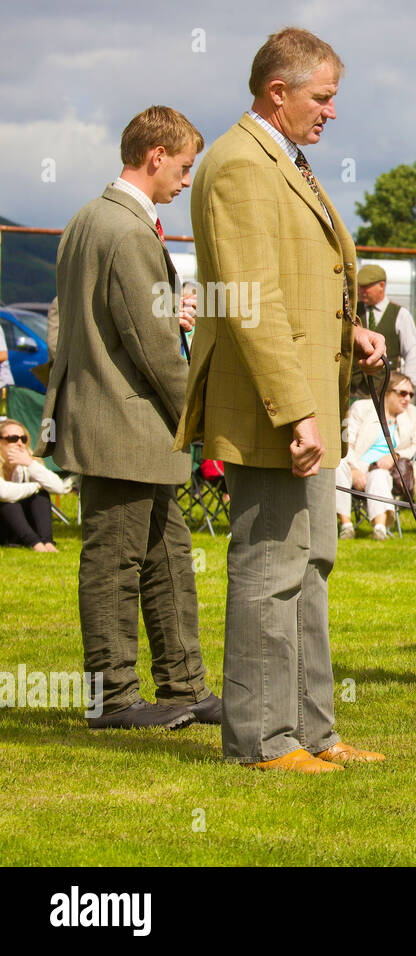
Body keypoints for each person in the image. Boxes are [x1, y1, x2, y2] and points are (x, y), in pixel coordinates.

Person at [175, 28, 388, 772]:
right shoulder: (239, 164)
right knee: (270, 567)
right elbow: (252, 301)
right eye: (322, 97)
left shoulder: (281, 161)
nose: (331, 112)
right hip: (273, 406)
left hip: (306, 401)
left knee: (311, 562)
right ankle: (262, 741)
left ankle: (311, 730)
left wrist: (351, 331)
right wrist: (295, 408)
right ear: (278, 91)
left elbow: (303, 281)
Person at [38, 105, 218, 730]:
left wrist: (170, 314)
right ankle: (112, 700)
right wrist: (199, 415)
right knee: (114, 566)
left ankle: (184, 687)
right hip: (127, 426)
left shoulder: (86, 220)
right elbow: (153, 351)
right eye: (185, 167)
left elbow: (85, 325)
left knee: (168, 560)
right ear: (155, 157)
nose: (187, 180)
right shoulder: (129, 231)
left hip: (119, 424)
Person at [335, 373, 416, 540]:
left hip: (385, 469)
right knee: (338, 465)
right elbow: (346, 442)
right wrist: (355, 470)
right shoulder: (362, 408)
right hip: (355, 463)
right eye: (402, 393)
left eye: (410, 394)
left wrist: (395, 456)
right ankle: (346, 525)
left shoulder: (412, 413)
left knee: (379, 475)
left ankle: (379, 528)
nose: (407, 398)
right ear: (387, 391)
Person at [353, 263, 416, 418]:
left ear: (382, 286)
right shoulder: (352, 312)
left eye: (366, 287)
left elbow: (412, 354)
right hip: (352, 391)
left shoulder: (400, 314)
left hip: (385, 394)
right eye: (359, 286)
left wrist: (406, 390)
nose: (361, 291)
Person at [1, 418, 72, 551]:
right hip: (3, 526)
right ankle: (35, 544)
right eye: (12, 438)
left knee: (41, 495)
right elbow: (3, 492)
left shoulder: (27, 461)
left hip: (20, 526)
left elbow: (59, 487)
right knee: (8, 501)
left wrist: (30, 463)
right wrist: (34, 487)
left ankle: (47, 543)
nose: (19, 443)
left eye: (23, 438)